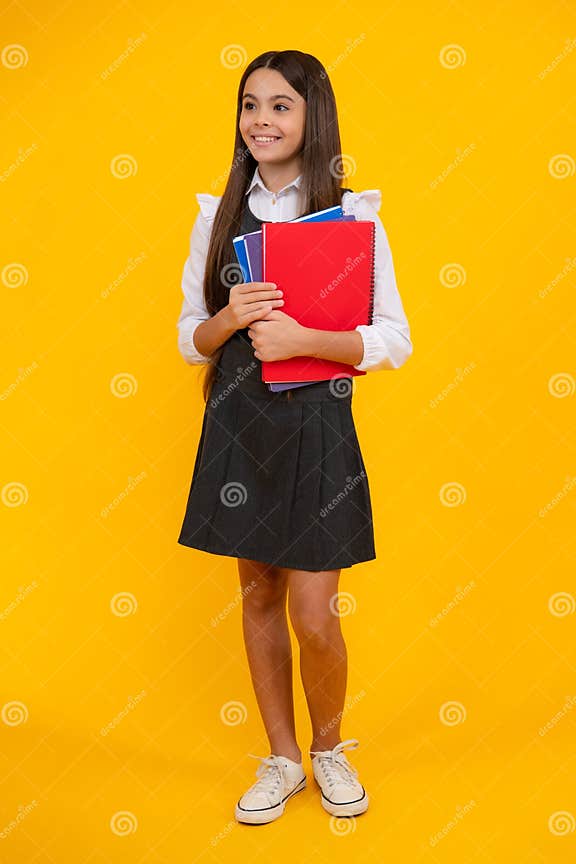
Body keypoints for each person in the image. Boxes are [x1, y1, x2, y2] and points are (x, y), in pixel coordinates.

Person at [175, 50, 413, 824]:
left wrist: (310, 337)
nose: (261, 121)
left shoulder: (355, 218)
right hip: (241, 427)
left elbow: (393, 341)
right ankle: (281, 759)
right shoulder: (216, 217)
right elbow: (189, 340)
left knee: (314, 613)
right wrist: (231, 319)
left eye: (280, 106)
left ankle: (330, 749)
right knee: (259, 596)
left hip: (318, 424)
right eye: (250, 105)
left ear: (314, 118)